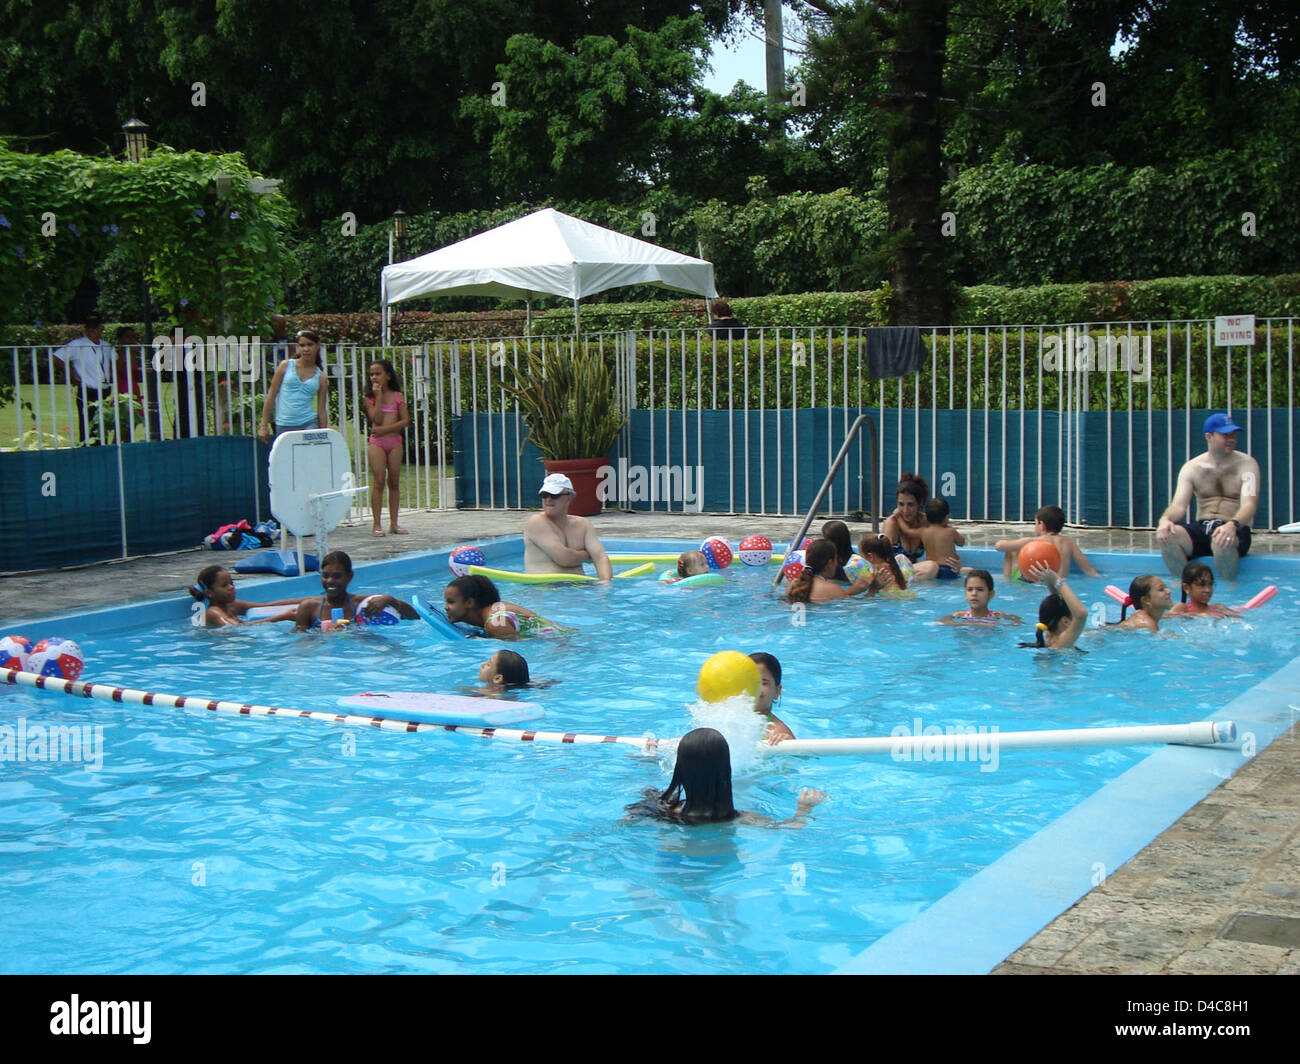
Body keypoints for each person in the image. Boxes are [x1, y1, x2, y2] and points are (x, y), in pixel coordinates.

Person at [630, 728, 825, 826]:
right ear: (726, 771)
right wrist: (803, 809)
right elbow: (788, 828)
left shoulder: (663, 810)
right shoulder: (736, 818)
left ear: (679, 770)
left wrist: (650, 759)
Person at [1156, 413, 1260, 582]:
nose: (1231, 439)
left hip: (1234, 529)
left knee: (1222, 540)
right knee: (1167, 537)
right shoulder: (1192, 467)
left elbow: (1249, 505)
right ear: (1209, 436)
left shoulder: (1247, 465)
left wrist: (1232, 525)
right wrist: (1165, 520)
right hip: (1203, 527)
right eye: (1225, 435)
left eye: (1233, 435)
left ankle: (1229, 591)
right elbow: (1178, 506)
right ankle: (1189, 589)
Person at [293, 550, 417, 631]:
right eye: (325, 576)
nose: (330, 581)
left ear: (349, 576)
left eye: (337, 576)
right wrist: (325, 635)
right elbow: (301, 643)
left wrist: (391, 600)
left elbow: (414, 617)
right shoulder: (309, 607)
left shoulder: (361, 605)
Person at [522, 473, 613, 581]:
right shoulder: (536, 522)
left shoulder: (583, 525)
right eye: (544, 495)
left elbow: (601, 557)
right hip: (545, 590)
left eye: (554, 495)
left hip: (580, 589)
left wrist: (605, 583)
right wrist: (588, 555)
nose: (548, 500)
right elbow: (565, 559)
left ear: (569, 498)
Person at [442, 574, 570, 640]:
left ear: (470, 602)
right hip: (564, 637)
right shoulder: (496, 609)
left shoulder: (495, 623)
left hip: (560, 644)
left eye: (451, 602)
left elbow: (517, 650)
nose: (446, 607)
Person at [994, 504, 1099, 581]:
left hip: (1036, 584)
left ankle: (1007, 580)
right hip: (1059, 584)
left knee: (1011, 551)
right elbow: (1089, 570)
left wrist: (1004, 541)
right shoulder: (1069, 543)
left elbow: (999, 546)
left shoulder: (1034, 541)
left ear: (1041, 524)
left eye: (1035, 523)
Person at [364, 359, 409, 536]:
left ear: (388, 375)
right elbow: (377, 419)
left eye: (378, 373)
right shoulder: (369, 398)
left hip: (394, 442)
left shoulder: (398, 396)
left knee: (394, 482)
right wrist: (379, 397)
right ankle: (376, 524)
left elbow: (405, 420)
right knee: (379, 480)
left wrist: (385, 430)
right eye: (372, 374)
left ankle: (394, 523)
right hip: (377, 444)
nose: (374, 377)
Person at [53, 314, 114, 446]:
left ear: (101, 328)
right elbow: (56, 358)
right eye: (89, 327)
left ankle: (102, 447)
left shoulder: (106, 346)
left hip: (104, 390)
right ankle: (87, 448)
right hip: (88, 390)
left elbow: (115, 362)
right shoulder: (77, 345)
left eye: (95, 327)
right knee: (88, 424)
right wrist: (71, 373)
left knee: (103, 424)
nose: (92, 330)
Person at [258, 329, 329, 442]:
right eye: (302, 345)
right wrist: (263, 425)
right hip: (284, 424)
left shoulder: (321, 377)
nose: (306, 349)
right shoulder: (285, 366)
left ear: (317, 345)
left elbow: (321, 409)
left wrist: (324, 432)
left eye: (310, 345)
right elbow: (271, 395)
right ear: (298, 347)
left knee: (308, 457)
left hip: (308, 422)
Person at [188, 566, 305, 627]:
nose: (231, 587)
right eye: (224, 585)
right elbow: (233, 628)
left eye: (231, 583)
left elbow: (267, 606)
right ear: (209, 593)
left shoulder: (233, 605)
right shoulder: (213, 612)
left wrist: (308, 600)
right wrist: (282, 617)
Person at [1018, 562, 1088, 649]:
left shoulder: (1050, 637)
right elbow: (1081, 615)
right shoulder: (1061, 642)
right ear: (1065, 621)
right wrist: (1057, 580)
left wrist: (1050, 583)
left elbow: (1058, 603)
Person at [785, 538, 875, 604]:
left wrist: (849, 592)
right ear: (830, 562)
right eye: (836, 559)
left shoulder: (793, 584)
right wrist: (873, 591)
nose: (837, 563)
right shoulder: (832, 589)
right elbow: (856, 609)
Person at [938, 570, 1022, 625]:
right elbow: (941, 622)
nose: (974, 593)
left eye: (980, 590)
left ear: (991, 594)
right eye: (970, 590)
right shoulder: (960, 615)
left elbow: (1018, 622)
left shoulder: (997, 616)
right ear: (965, 593)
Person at [912, 498, 967, 580]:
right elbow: (962, 542)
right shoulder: (950, 531)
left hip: (932, 571)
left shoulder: (923, 532)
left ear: (926, 517)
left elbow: (907, 531)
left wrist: (898, 519)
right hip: (949, 570)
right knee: (969, 571)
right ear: (947, 517)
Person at [749, 652, 795, 743]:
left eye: (764, 683)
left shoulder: (778, 732)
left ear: (777, 691)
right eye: (750, 681)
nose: (756, 688)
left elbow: (803, 756)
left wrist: (789, 746)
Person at [1166, 562, 1240, 619]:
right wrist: (1195, 615)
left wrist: (1227, 614)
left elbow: (1239, 618)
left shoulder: (1216, 607)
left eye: (1210, 584)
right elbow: (1163, 617)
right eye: (1201, 585)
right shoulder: (1183, 608)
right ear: (1186, 588)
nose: (1208, 590)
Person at [881, 474, 929, 563]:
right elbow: (885, 561)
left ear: (920, 503)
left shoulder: (925, 522)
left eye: (910, 504)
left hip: (916, 571)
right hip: (895, 572)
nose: (905, 510)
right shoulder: (892, 524)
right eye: (901, 504)